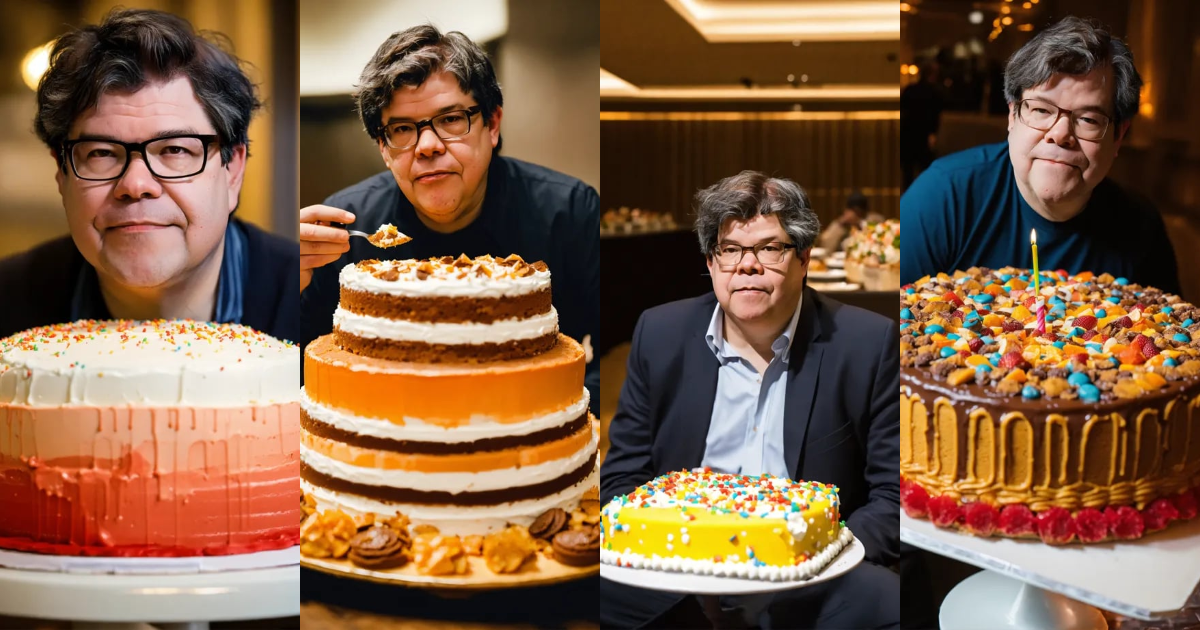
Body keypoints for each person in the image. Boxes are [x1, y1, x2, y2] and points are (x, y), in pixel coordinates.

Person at [600, 171, 900, 629]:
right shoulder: (660, 334)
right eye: (731, 250)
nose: (747, 265)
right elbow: (623, 477)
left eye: (770, 248)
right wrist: (685, 571)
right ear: (711, 261)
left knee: (888, 602)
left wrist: (807, 564)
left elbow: (891, 497)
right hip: (679, 575)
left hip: (811, 578)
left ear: (804, 258)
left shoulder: (866, 343)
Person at [298, 24, 598, 403]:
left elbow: (606, 358)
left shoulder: (570, 213)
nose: (427, 145)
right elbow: (306, 361)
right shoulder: (345, 226)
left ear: (492, 124)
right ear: (384, 148)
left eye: (451, 119)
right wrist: (286, 278)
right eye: (403, 129)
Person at [0, 8, 297, 341]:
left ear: (233, 171)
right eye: (101, 154)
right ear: (61, 173)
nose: (136, 184)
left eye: (175, 150)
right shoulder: (7, 302)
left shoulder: (313, 301)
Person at [901, 17, 1180, 294]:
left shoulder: (1141, 228)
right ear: (1012, 116)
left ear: (1118, 136)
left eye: (1089, 119)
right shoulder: (942, 197)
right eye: (1041, 110)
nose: (1059, 134)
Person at [815, 190, 883, 252]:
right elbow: (826, 247)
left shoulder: (875, 220)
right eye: (853, 211)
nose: (854, 215)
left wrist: (860, 223)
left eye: (858, 212)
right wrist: (840, 223)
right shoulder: (840, 224)